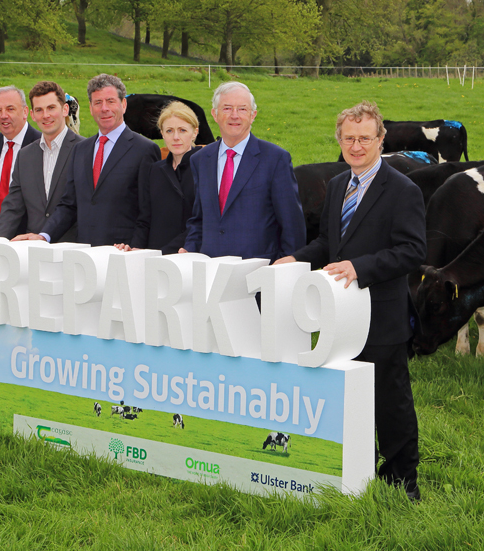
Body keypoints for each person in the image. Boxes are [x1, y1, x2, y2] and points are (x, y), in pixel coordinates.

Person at [274, 101, 427, 500]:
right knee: (350, 399)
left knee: (390, 401)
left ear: (381, 140)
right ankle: (357, 473)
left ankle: (402, 483)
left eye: (364, 138)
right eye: (348, 138)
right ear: (339, 141)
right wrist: (297, 258)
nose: (356, 146)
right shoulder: (340, 184)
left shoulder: (403, 189)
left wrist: (359, 267)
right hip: (341, 315)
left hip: (382, 314)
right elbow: (329, 243)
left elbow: (412, 251)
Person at [16, 73, 160, 246]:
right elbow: (69, 205)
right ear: (91, 108)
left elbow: (148, 211)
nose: (104, 108)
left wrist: (136, 249)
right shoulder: (81, 150)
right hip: (85, 256)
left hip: (124, 256)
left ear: (123, 104)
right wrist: (44, 236)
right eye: (98, 103)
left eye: (110, 101)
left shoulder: (144, 150)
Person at [181, 81, 305, 261]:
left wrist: (283, 270)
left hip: (257, 273)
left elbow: (292, 225)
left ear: (253, 115)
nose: (234, 115)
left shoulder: (275, 159)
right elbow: (199, 219)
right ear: (214, 114)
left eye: (242, 109)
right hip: (209, 271)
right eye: (227, 108)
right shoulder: (200, 159)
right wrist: (189, 251)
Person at [0, 81, 84, 240]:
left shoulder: (84, 150)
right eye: (39, 110)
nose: (46, 115)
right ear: (32, 115)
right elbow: (12, 207)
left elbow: (79, 205)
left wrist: (44, 236)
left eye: (51, 108)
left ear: (64, 109)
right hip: (34, 253)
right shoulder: (25, 156)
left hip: (72, 250)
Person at [123, 101, 201, 253]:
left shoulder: (204, 168)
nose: (176, 137)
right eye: (170, 131)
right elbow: (144, 218)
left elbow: (202, 219)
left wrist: (169, 250)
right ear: (162, 133)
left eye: (182, 130)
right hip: (155, 253)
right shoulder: (155, 170)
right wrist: (135, 248)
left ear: (195, 132)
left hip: (188, 252)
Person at [0, 85, 40, 237]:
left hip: (26, 239)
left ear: (25, 112)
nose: (3, 115)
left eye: (10, 109)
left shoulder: (40, 144)